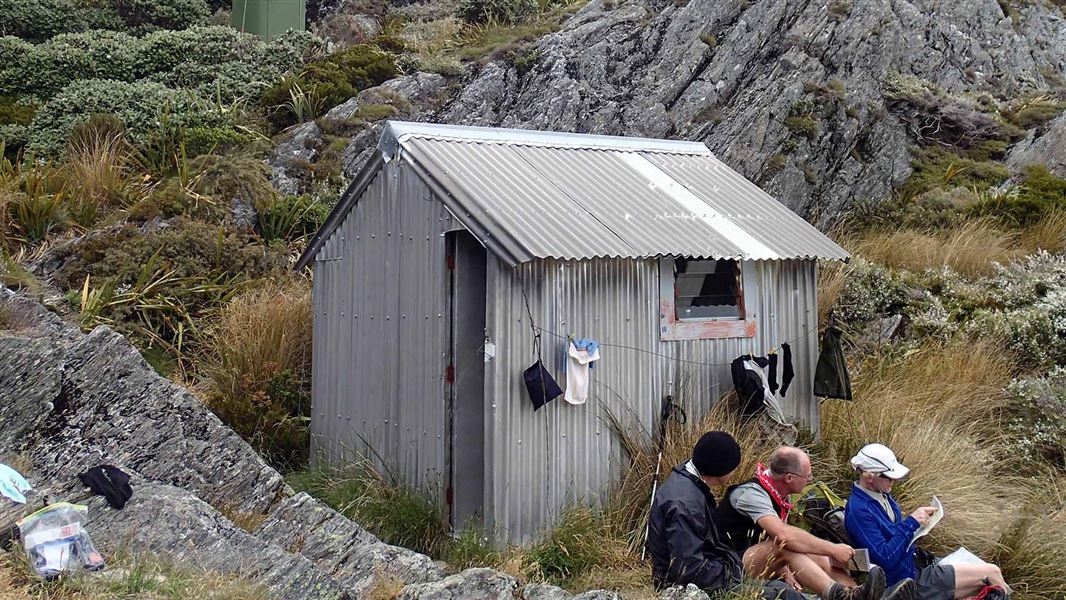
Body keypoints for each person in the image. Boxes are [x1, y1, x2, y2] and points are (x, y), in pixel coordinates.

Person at [716, 446, 911, 600]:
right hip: (727, 566)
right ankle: (837, 595)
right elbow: (782, 536)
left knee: (821, 558)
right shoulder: (750, 494)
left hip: (751, 557)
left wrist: (785, 569)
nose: (810, 479)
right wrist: (833, 549)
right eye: (807, 476)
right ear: (789, 478)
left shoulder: (781, 493)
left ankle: (856, 593)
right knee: (786, 544)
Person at [646, 432, 804, 600]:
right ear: (720, 469)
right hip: (683, 587)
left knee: (780, 587)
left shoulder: (688, 481)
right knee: (784, 595)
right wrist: (730, 574)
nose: (735, 471)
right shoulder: (685, 505)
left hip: (706, 573)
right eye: (733, 467)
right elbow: (688, 569)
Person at [844, 443, 1011, 600]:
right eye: (888, 477)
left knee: (986, 572)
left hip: (916, 565)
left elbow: (893, 538)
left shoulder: (882, 496)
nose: (893, 481)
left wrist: (917, 530)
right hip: (908, 582)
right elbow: (885, 558)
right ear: (869, 476)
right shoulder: (859, 510)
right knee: (992, 573)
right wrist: (911, 522)